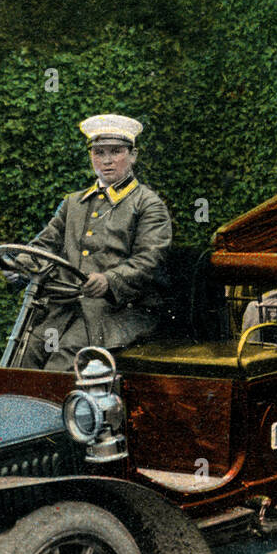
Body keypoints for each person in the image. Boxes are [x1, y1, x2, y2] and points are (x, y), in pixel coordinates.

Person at [18, 113, 172, 370]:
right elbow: (43, 245)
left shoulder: (148, 204)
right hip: (65, 309)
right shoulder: (73, 203)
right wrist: (20, 261)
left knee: (61, 365)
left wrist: (109, 280)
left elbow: (150, 260)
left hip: (119, 314)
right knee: (22, 357)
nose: (107, 161)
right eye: (99, 152)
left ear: (133, 155)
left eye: (116, 152)